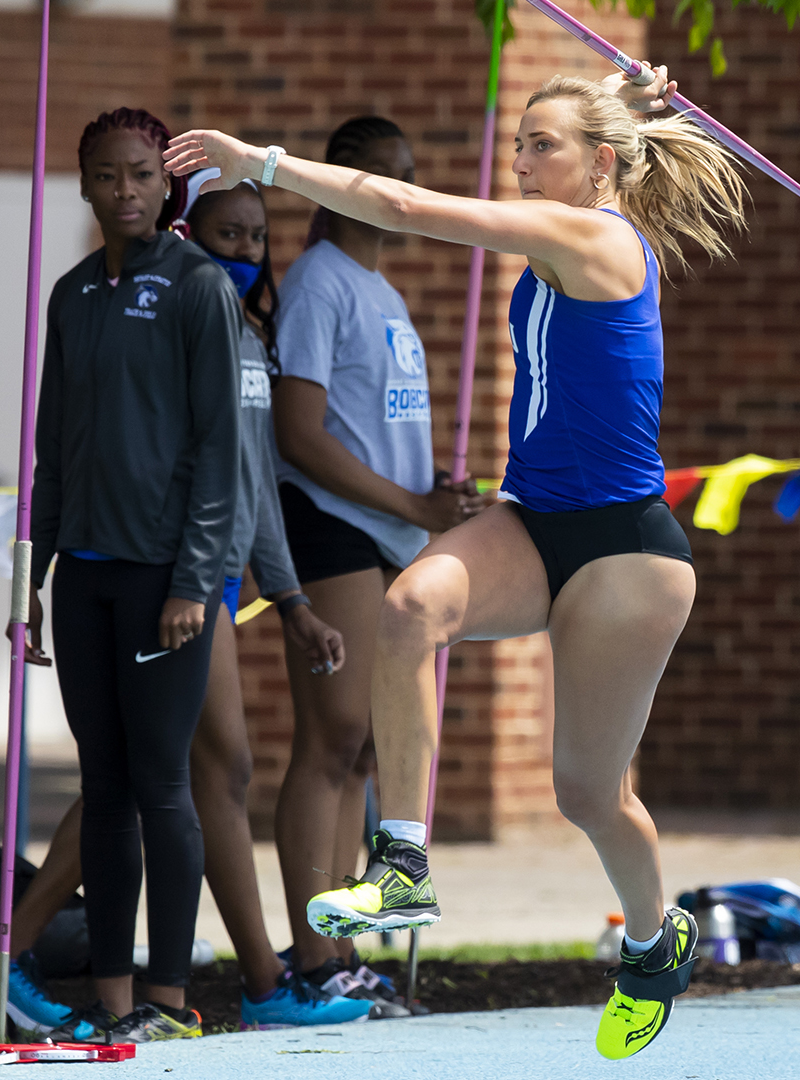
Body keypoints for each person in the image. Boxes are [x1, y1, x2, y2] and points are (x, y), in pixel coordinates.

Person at [165, 66, 746, 1060]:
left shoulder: (598, 237)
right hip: (534, 520)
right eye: (518, 143)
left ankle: (654, 942)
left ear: (601, 164)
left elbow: (400, 204)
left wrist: (258, 160)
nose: (519, 161)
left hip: (624, 549)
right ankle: (403, 861)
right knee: (411, 605)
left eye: (541, 146)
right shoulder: (574, 220)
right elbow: (593, 131)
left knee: (586, 795)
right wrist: (627, 91)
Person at [0, 173, 374, 1035]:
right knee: (156, 776)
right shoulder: (172, 318)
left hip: (212, 585)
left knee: (196, 775)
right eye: (226, 232)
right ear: (185, 229)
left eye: (255, 236)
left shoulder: (241, 332)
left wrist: (287, 597)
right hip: (174, 581)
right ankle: (16, 954)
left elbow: (253, 485)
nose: (243, 250)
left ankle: (257, 978)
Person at [16, 106, 241, 1045]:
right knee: (102, 785)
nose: (126, 192)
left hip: (164, 584)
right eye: (108, 176)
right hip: (85, 580)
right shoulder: (71, 295)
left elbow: (219, 447)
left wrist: (195, 580)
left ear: (168, 182)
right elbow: (53, 451)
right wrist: (36, 573)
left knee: (161, 786)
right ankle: (108, 1003)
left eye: (143, 174)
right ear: (83, 185)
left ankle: (167, 999)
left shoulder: (197, 288)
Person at [252, 116, 474, 1011]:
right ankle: (308, 964)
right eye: (390, 176)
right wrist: (410, 504)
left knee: (368, 747)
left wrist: (434, 498)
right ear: (341, 181)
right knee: (334, 738)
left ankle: (337, 951)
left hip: (390, 538)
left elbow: (375, 426)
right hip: (332, 529)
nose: (403, 193)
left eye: (412, 175)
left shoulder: (381, 290)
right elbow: (300, 436)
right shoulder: (319, 285)